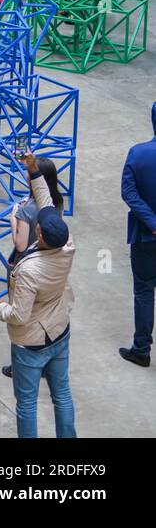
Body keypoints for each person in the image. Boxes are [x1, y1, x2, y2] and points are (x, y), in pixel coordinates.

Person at [0, 151, 76, 438]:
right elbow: (46, 202)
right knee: (62, 394)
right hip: (60, 329)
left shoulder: (30, 270)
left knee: (27, 404)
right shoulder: (66, 243)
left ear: (40, 236)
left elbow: (19, 315)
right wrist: (33, 170)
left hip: (31, 341)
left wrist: (0, 307)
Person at [0, 153, 66, 378]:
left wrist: (13, 217)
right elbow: (44, 197)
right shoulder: (57, 204)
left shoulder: (27, 210)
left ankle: (19, 365)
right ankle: (48, 361)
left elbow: (19, 244)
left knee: (23, 318)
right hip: (50, 266)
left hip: (25, 264)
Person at [120, 101, 156, 368]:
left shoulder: (138, 154)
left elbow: (129, 193)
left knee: (144, 292)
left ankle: (141, 348)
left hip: (146, 236)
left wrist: (152, 222)